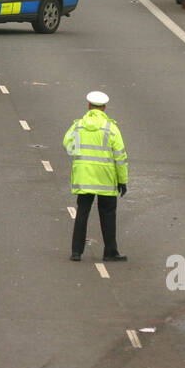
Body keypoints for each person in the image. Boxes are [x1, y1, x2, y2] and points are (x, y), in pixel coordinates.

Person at [62, 91, 128, 262]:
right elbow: (120, 156)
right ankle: (110, 252)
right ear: (104, 108)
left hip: (84, 177)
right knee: (108, 214)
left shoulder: (78, 125)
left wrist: (80, 156)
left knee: (82, 213)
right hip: (106, 179)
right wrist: (123, 181)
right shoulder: (111, 128)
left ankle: (76, 252)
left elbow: (67, 144)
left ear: (89, 106)